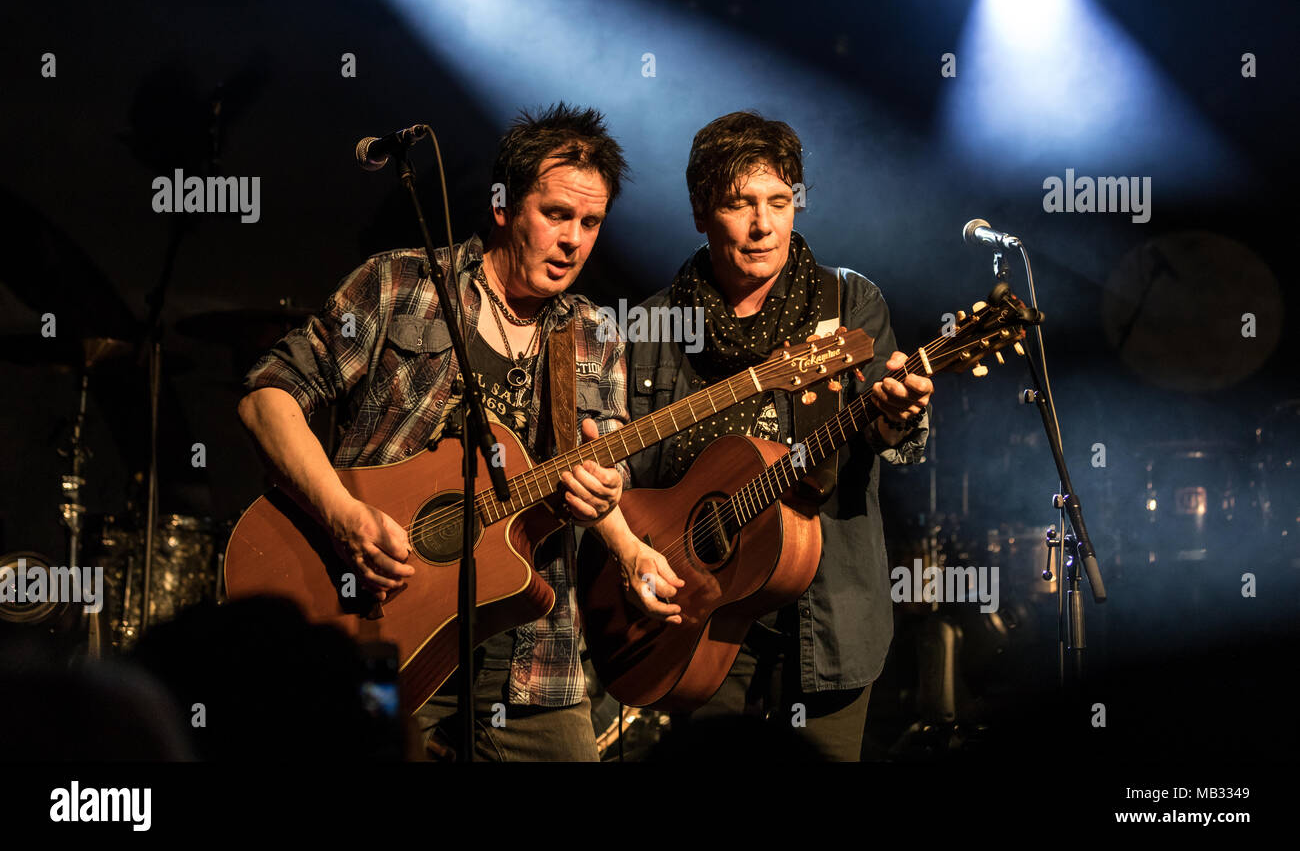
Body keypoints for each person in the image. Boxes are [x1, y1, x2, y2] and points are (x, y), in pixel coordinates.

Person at [238, 103, 675, 761]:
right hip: (383, 627)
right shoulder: (400, 285)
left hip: (531, 658)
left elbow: (594, 476)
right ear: (502, 207)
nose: (573, 241)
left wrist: (620, 531)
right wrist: (345, 517)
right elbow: (265, 398)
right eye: (556, 215)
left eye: (590, 223)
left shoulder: (593, 334)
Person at [604, 111, 935, 761]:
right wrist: (635, 558)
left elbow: (896, 440)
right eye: (740, 204)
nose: (763, 226)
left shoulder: (849, 306)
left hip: (829, 626)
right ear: (701, 211)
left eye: (779, 202)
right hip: (696, 632)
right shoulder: (649, 326)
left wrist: (901, 413)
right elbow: (626, 487)